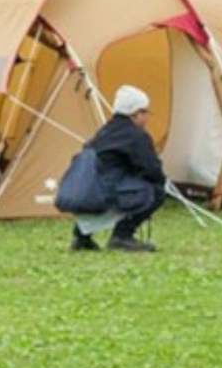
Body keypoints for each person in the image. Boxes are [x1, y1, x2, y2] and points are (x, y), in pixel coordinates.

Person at [71, 84, 167, 254]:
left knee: (108, 185)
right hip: (103, 194)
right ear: (136, 113)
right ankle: (122, 236)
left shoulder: (104, 131)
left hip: (81, 193)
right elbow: (153, 171)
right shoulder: (136, 135)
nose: (147, 117)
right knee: (156, 191)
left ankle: (81, 238)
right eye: (145, 112)